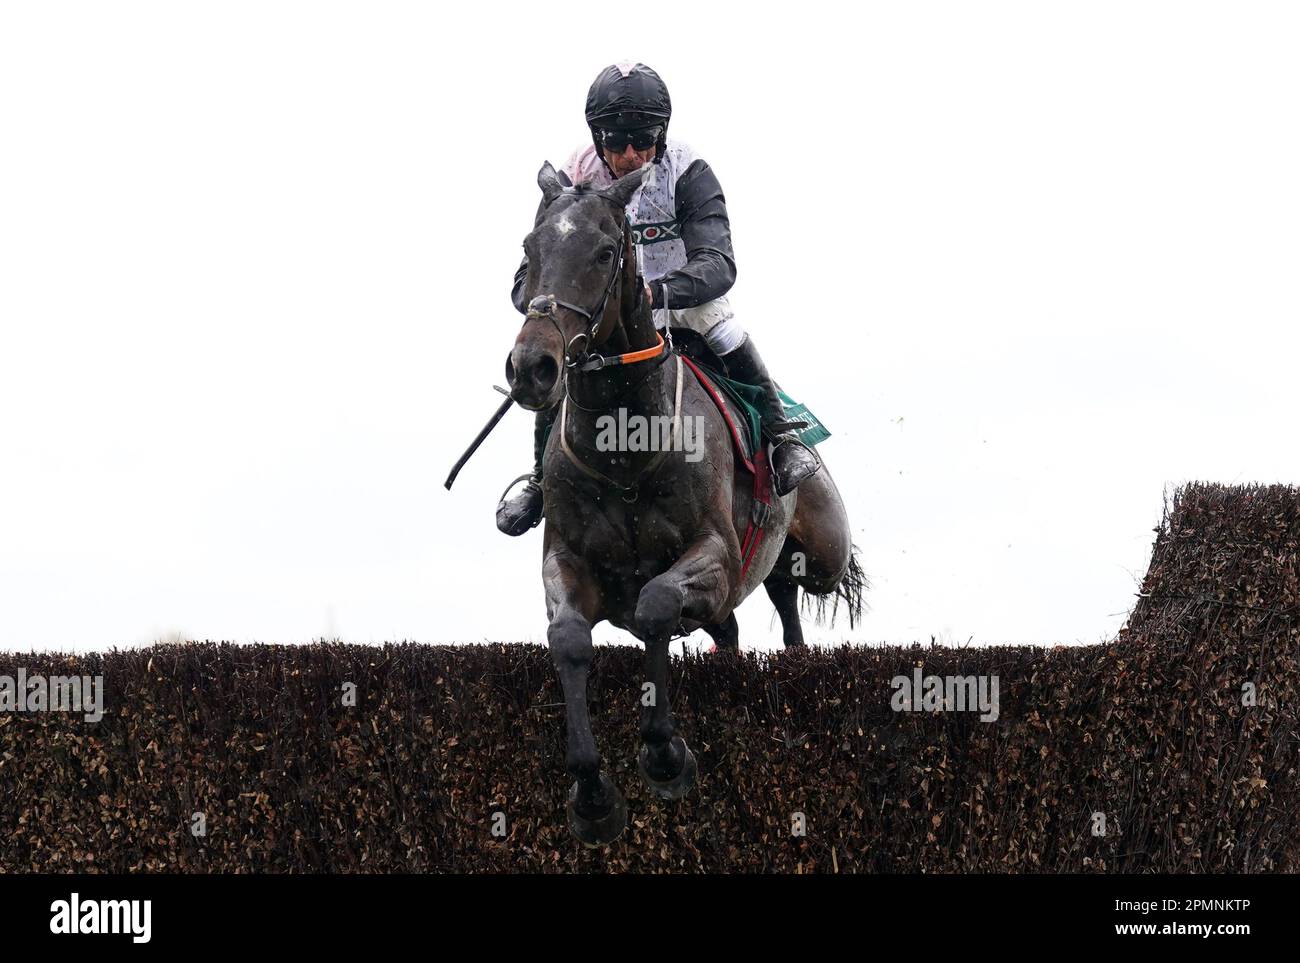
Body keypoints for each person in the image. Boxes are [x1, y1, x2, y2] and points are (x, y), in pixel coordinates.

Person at [497, 62, 820, 536]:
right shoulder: (570, 178)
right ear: (596, 136)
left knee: (723, 327)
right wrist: (546, 305)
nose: (629, 154)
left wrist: (659, 292)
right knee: (560, 361)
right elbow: (536, 265)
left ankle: (783, 437)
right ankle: (542, 481)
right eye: (615, 141)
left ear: (662, 132)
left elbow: (719, 262)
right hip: (601, 312)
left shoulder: (688, 170)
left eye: (642, 138)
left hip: (681, 295)